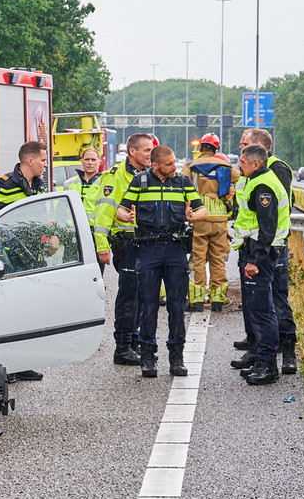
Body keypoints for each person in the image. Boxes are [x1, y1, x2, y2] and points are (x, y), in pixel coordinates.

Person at [116, 145, 207, 377]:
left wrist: (192, 216)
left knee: (177, 306)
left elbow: (202, 211)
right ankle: (148, 357)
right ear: (155, 166)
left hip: (176, 248)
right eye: (169, 164)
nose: (174, 167)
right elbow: (120, 210)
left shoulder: (183, 182)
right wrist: (127, 216)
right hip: (149, 248)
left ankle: (177, 357)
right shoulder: (140, 182)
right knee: (148, 306)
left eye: (174, 162)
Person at [231, 127, 299, 375]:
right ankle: (259, 352)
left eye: (244, 145)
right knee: (256, 305)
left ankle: (279, 356)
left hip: (265, 251)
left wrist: (257, 257)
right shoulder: (251, 176)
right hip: (253, 249)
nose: (240, 150)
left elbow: (269, 223)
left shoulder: (273, 172)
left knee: (272, 302)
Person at [93, 133, 154, 365]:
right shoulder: (116, 175)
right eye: (147, 150)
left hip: (146, 243)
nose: (150, 154)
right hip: (127, 243)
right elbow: (103, 212)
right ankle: (123, 346)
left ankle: (134, 340)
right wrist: (102, 246)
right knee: (129, 296)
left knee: (142, 295)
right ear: (132, 152)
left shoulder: (149, 174)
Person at [183, 134, 238, 312]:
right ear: (216, 148)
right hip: (220, 221)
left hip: (199, 219)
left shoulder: (191, 166)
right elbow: (239, 182)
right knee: (218, 260)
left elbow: (181, 186)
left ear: (201, 147)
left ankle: (197, 301)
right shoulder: (226, 166)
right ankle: (218, 301)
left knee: (197, 260)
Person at [0, 140, 48, 216]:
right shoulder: (6, 186)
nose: (46, 165)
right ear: (30, 161)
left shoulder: (40, 185)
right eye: (43, 160)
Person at [64, 147, 104, 226]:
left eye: (93, 160)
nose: (90, 163)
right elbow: (62, 209)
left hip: (95, 229)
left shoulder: (105, 183)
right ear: (82, 161)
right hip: (73, 229)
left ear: (99, 162)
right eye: (86, 159)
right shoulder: (69, 183)